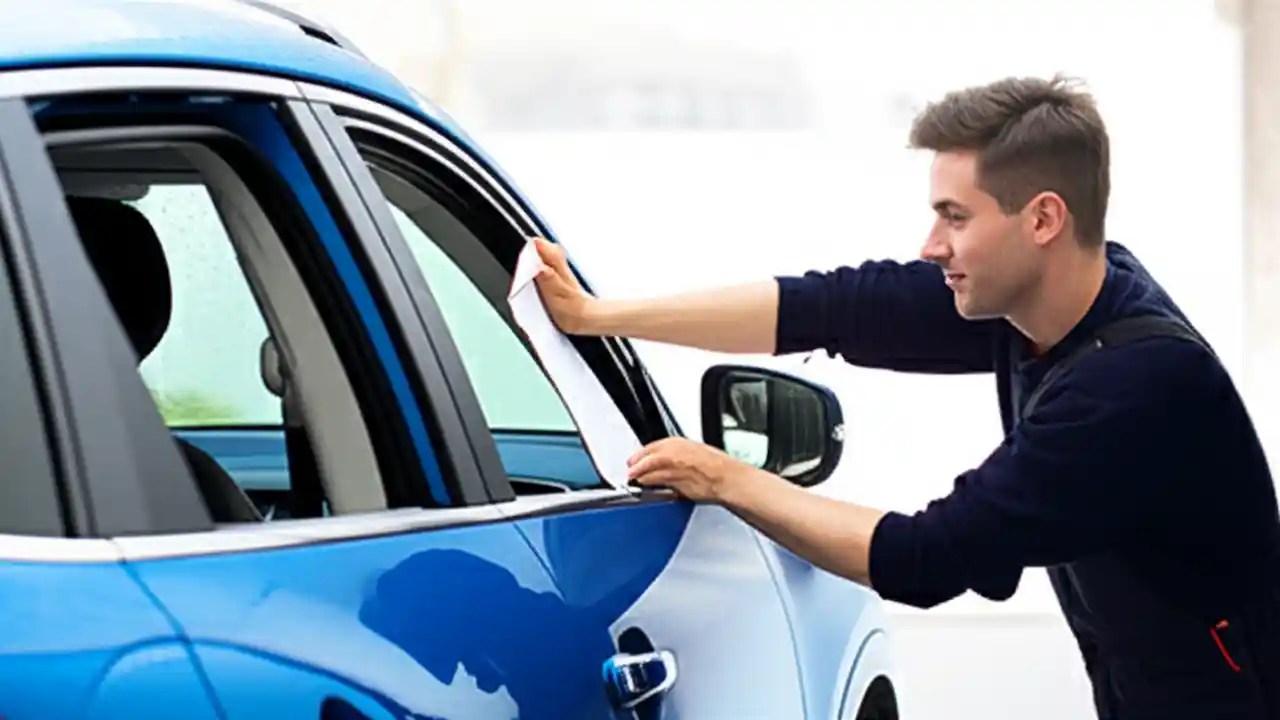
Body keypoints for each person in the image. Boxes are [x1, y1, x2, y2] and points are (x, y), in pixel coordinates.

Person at [530, 75, 1280, 719]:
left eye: (955, 216)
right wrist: (600, 317)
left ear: (1044, 219)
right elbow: (827, 308)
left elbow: (925, 557)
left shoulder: (1129, 391)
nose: (932, 244)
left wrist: (724, 478)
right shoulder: (1053, 297)